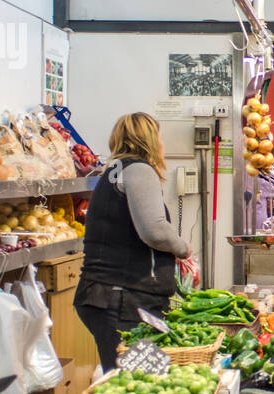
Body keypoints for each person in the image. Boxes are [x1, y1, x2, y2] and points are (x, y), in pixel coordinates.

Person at [75, 113, 192, 371]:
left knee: (130, 377)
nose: (162, 145)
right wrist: (183, 249)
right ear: (149, 140)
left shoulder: (114, 171)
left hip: (106, 295)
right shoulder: (139, 169)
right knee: (134, 383)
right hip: (122, 298)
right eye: (159, 138)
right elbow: (154, 230)